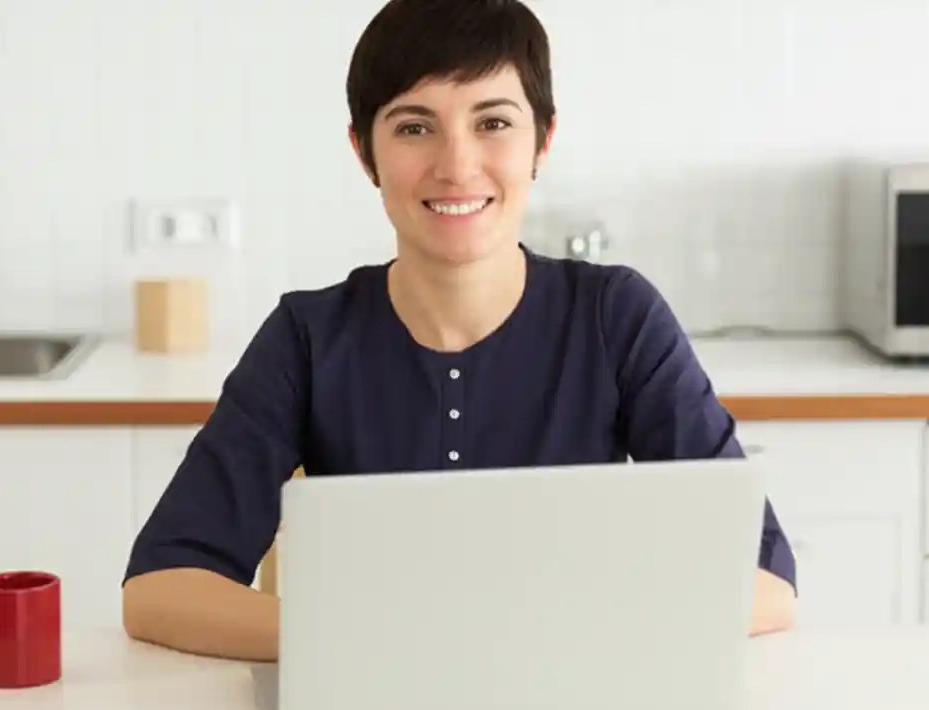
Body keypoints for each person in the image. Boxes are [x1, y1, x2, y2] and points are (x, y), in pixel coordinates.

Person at [122, 0, 797, 662]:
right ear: (365, 153)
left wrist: (542, 640)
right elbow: (159, 589)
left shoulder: (616, 317)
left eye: (493, 122)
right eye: (415, 128)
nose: (456, 164)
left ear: (543, 139)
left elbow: (767, 585)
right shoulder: (307, 335)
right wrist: (368, 647)